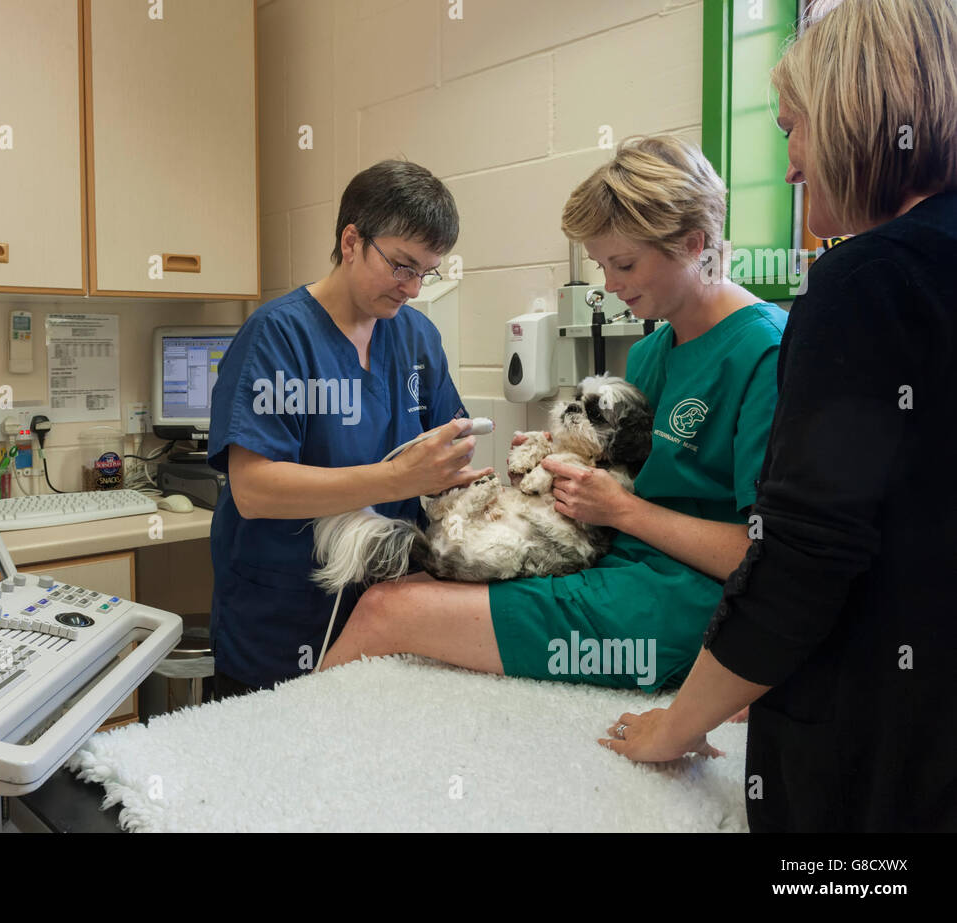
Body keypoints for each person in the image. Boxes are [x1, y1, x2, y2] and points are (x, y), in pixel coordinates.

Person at [601, 0, 957, 832]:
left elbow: (800, 558)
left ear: (855, 115)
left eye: (792, 130)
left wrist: (677, 725)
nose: (791, 164)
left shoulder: (866, 282)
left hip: (882, 771)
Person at [317, 135, 787, 694]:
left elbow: (772, 559)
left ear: (695, 243)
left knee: (386, 613)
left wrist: (622, 512)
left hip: (681, 603)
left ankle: (283, 760)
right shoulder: (651, 354)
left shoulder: (766, 354)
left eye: (625, 264)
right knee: (402, 588)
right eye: (601, 266)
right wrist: (568, 464)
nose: (610, 286)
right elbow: (627, 472)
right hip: (614, 567)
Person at [205, 160, 489, 698]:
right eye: (402, 266)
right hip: (284, 617)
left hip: (386, 611)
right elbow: (254, 489)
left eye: (427, 273)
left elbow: (443, 452)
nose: (412, 288)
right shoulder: (276, 337)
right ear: (352, 240)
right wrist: (399, 479)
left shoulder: (416, 339)